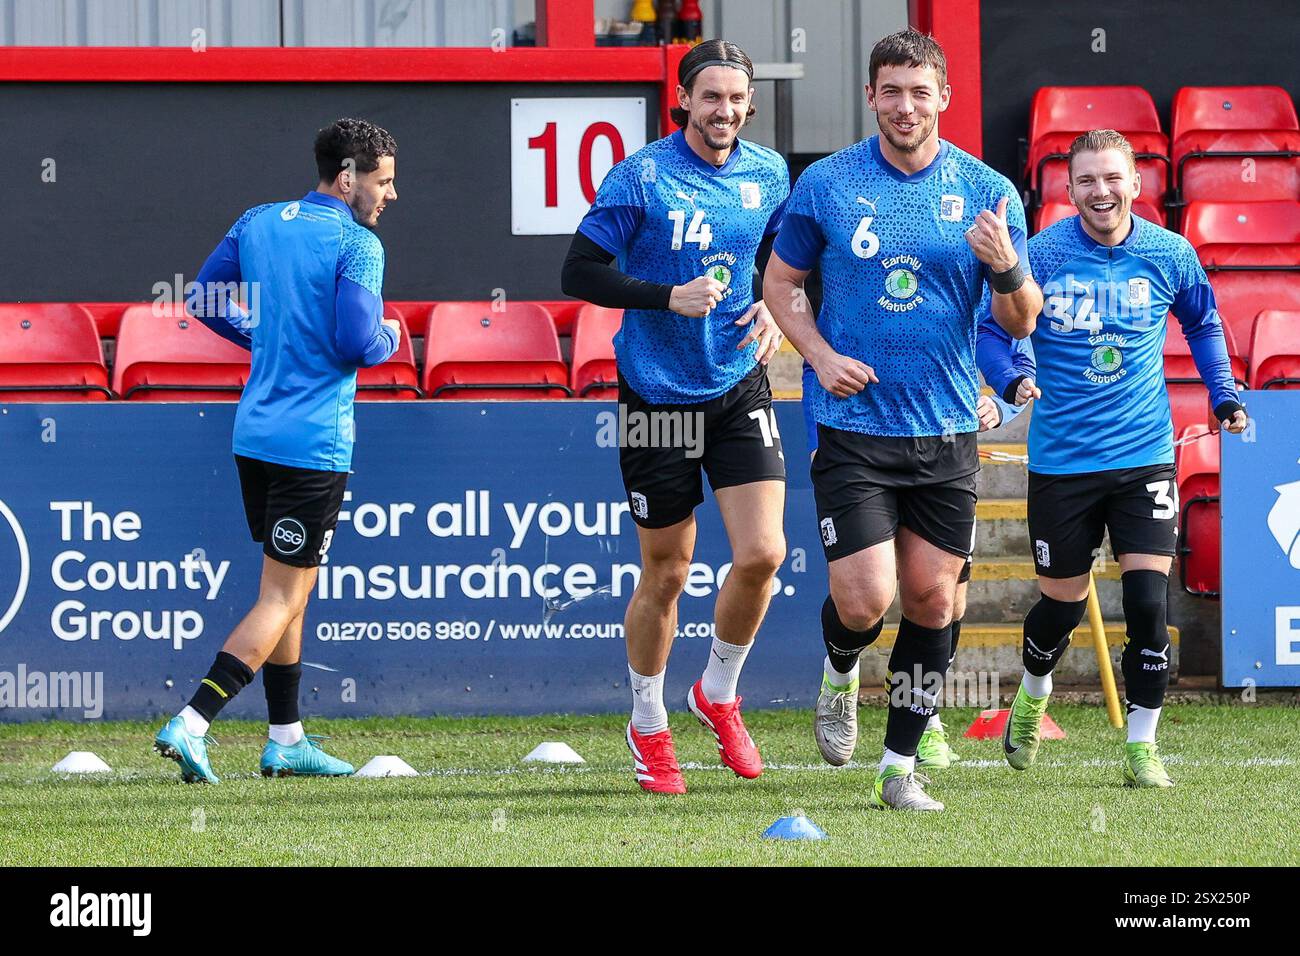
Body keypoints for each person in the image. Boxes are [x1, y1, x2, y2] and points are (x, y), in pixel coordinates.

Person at [765, 29, 1041, 811]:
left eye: (921, 92)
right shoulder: (825, 183)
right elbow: (782, 283)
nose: (906, 106)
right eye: (892, 91)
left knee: (930, 600)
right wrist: (816, 355)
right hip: (853, 428)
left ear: (943, 97)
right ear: (871, 98)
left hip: (947, 431)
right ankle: (841, 669)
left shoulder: (988, 191)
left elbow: (1021, 322)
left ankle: (898, 767)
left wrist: (1007, 265)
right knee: (862, 602)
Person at [979, 129, 1246, 788]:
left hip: (1144, 457)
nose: (1101, 191)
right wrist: (1013, 379)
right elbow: (994, 328)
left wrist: (1223, 395)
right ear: (1068, 190)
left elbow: (1204, 322)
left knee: (1149, 606)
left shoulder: (1168, 252)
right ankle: (1033, 693)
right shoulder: (1040, 254)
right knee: (1061, 608)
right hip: (1063, 463)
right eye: (1087, 181)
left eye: (1112, 178)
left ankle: (1141, 747)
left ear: (1138, 182)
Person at [561, 39, 789, 794]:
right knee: (668, 571)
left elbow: (781, 262)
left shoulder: (768, 173)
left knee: (762, 555)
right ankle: (649, 723)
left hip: (737, 387)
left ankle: (718, 693)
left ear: (749, 105)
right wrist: (666, 296)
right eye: (710, 97)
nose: (724, 110)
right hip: (656, 397)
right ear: (684, 101)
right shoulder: (642, 175)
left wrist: (775, 307)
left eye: (736, 98)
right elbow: (579, 270)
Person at [153, 118, 401, 783]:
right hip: (312, 444)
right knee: (281, 596)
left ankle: (286, 739)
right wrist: (392, 341)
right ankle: (194, 720)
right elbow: (356, 342)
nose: (390, 195)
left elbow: (201, 297)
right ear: (348, 178)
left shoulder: (258, 221)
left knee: (290, 590)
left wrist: (263, 341)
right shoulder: (359, 243)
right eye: (383, 181)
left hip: (254, 436)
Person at [800, 338, 1034, 772]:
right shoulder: (850, 272)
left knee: (942, 600)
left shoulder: (986, 269)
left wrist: (1004, 401)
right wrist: (816, 434)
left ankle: (922, 727)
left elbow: (1010, 342)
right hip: (859, 438)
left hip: (946, 446)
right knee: (864, 603)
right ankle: (840, 672)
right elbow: (816, 330)